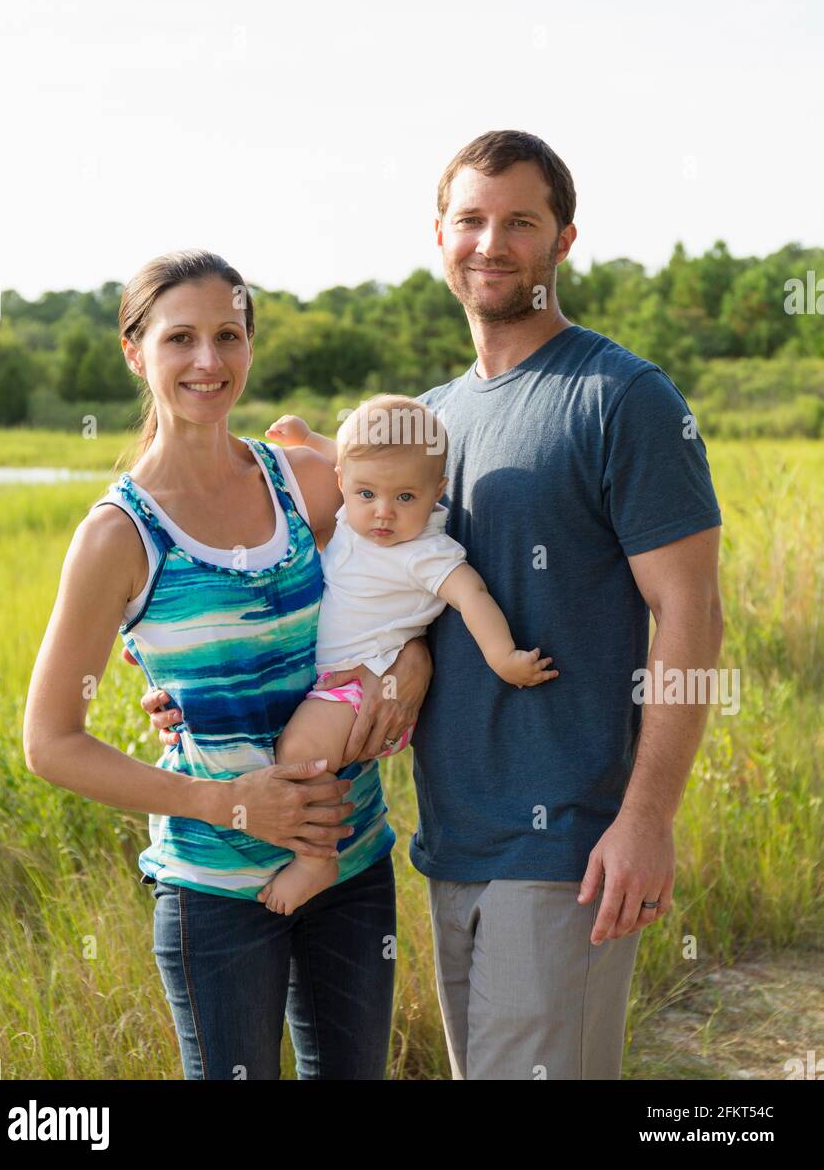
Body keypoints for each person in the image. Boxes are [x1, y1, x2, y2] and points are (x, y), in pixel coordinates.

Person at [138, 128, 723, 1081]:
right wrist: (193, 688)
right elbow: (369, 595)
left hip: (567, 842)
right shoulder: (429, 423)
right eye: (471, 220)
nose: (492, 243)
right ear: (439, 237)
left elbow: (692, 614)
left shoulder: (621, 397)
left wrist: (648, 817)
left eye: (520, 222)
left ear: (564, 240)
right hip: (447, 839)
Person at [23, 248, 432, 1081]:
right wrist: (230, 803)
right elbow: (50, 741)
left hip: (351, 863)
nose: (208, 361)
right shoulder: (118, 536)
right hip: (215, 887)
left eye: (228, 335)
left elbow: (409, 581)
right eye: (181, 339)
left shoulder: (311, 483)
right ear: (136, 352)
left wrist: (412, 664)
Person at [256, 395, 559, 915]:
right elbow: (353, 461)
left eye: (404, 498)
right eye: (367, 494)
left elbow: (473, 597)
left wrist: (504, 657)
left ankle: (316, 857)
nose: (383, 512)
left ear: (436, 494)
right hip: (329, 678)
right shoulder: (356, 515)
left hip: (359, 686)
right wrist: (308, 440)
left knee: (299, 755)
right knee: (293, 751)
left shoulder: (425, 554)